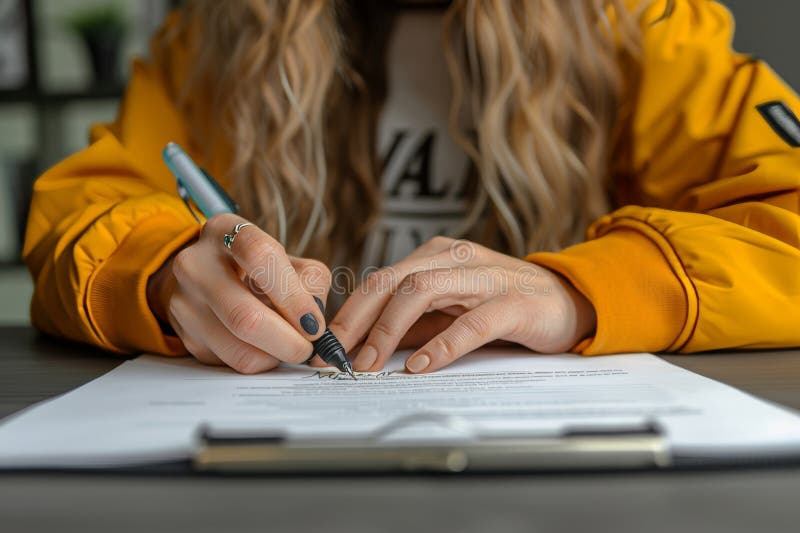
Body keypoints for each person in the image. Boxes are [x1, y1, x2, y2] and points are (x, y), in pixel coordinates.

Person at [23, 0, 800, 375]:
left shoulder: (636, 22)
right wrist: (159, 272)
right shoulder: (215, 35)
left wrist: (581, 292)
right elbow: (82, 211)